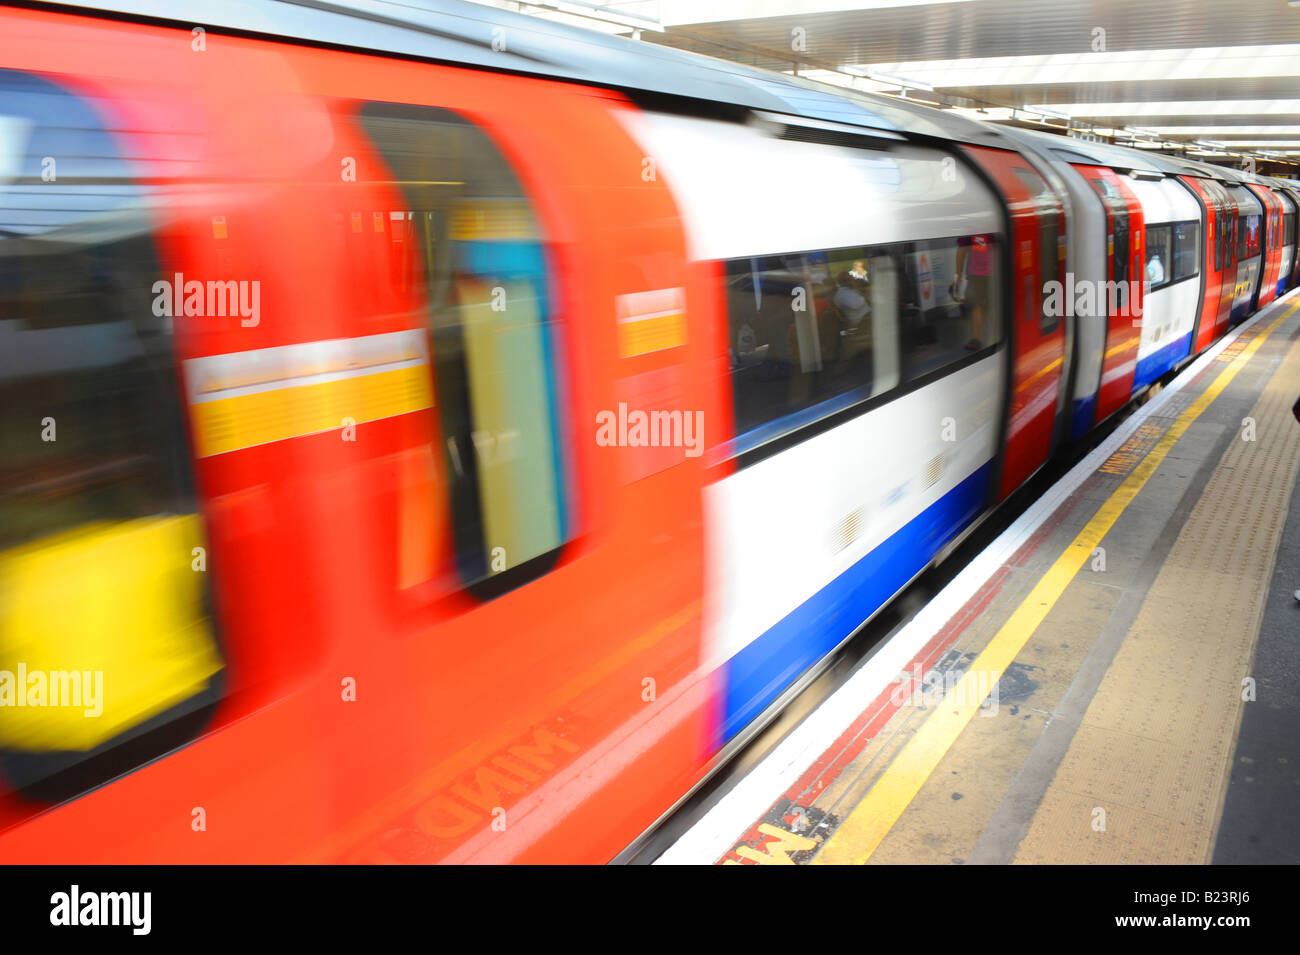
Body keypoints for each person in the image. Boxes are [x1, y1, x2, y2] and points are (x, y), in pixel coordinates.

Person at [953, 234, 993, 349]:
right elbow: (962, 250)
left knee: (979, 305)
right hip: (981, 273)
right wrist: (959, 276)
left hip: (982, 273)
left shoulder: (971, 228)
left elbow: (961, 251)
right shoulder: (973, 228)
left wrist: (959, 276)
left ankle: (977, 338)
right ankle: (978, 338)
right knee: (979, 305)